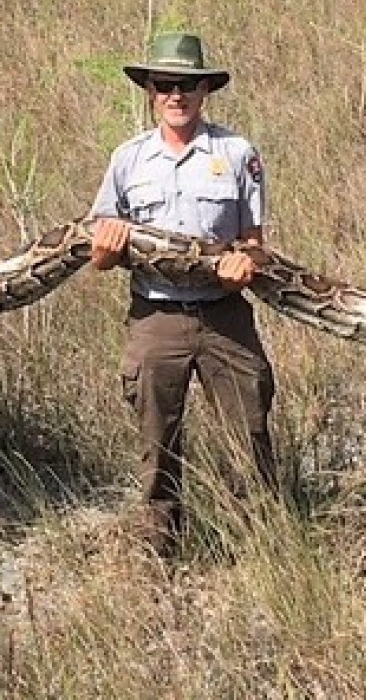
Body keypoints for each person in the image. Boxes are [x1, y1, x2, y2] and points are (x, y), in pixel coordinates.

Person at [89, 32, 277, 557]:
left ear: (204, 91)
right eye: (166, 84)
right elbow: (97, 251)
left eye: (187, 85)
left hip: (224, 315)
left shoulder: (237, 154)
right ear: (150, 90)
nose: (177, 94)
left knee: (249, 433)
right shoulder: (129, 159)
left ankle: (262, 549)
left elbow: (256, 245)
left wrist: (245, 263)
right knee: (157, 441)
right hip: (156, 315)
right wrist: (105, 249)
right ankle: (159, 553)